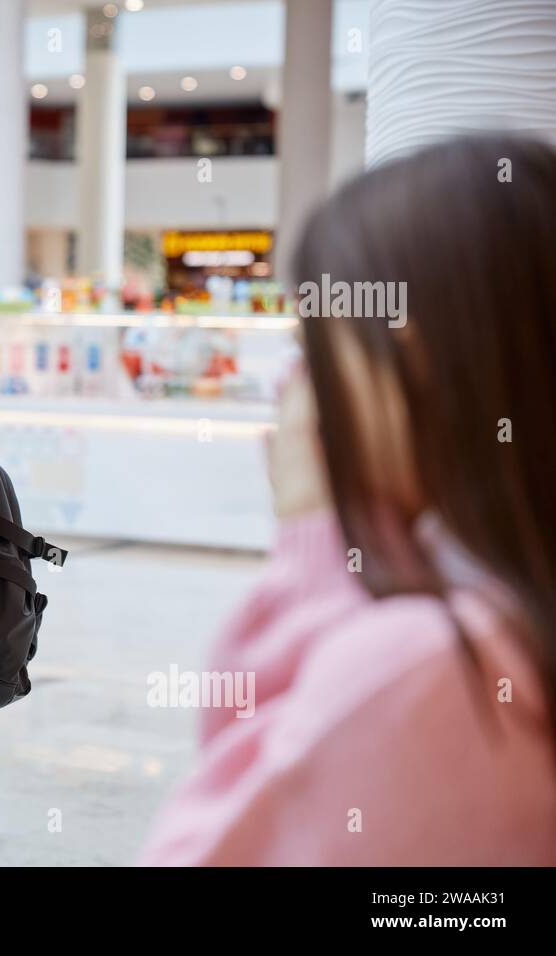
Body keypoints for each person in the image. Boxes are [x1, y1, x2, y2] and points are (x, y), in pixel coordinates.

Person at [139, 134, 556, 865]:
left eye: (320, 349)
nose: (301, 387)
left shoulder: (433, 665)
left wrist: (316, 537)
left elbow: (218, 837)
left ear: (411, 360)